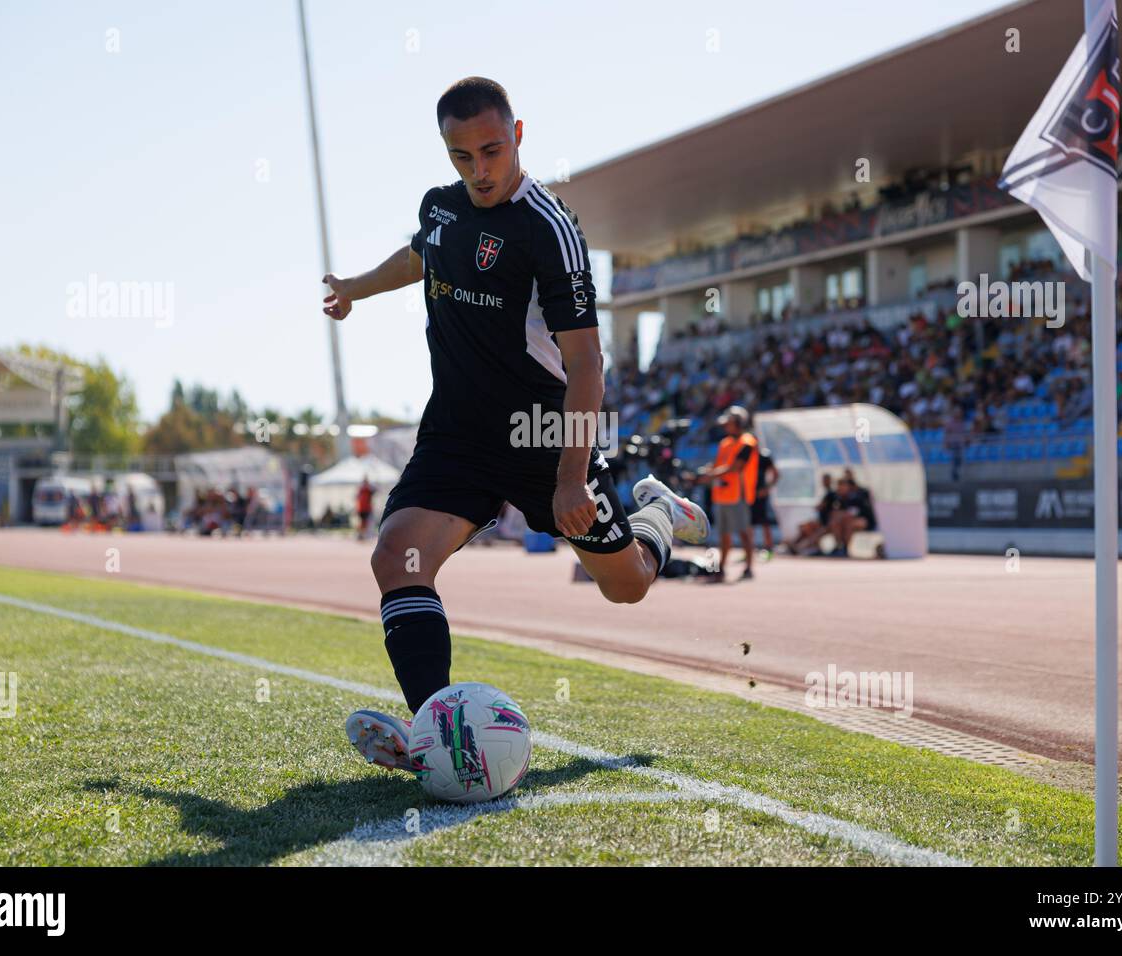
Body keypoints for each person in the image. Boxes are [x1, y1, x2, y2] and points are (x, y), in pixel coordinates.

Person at [320, 77, 709, 772]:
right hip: (457, 436)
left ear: (518, 135)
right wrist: (356, 288)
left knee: (627, 585)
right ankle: (437, 735)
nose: (478, 170)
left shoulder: (549, 229)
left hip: (542, 437)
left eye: (491, 150)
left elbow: (587, 364)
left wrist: (567, 480)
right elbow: (421, 254)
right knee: (395, 557)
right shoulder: (441, 209)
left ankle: (659, 515)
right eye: (460, 155)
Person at [692, 405, 758, 581]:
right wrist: (706, 472)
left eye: (729, 423)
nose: (725, 426)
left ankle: (749, 568)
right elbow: (719, 464)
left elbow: (736, 467)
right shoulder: (725, 443)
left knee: (744, 532)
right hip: (722, 494)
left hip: (738, 494)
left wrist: (710, 475)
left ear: (738, 423)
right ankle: (721, 568)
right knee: (724, 534)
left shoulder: (747, 442)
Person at [828, 475, 877, 557]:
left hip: (866, 521)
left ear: (847, 487)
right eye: (838, 486)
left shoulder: (855, 496)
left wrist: (840, 514)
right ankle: (839, 547)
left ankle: (845, 548)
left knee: (848, 523)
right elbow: (834, 513)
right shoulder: (839, 498)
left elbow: (852, 513)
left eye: (842, 486)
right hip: (848, 521)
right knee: (835, 523)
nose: (839, 488)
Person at [749, 444, 779, 557]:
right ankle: (749, 549)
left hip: (761, 494)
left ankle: (769, 547)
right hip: (749, 494)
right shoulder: (746, 457)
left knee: (764, 521)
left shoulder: (764, 456)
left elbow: (776, 474)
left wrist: (767, 489)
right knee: (748, 522)